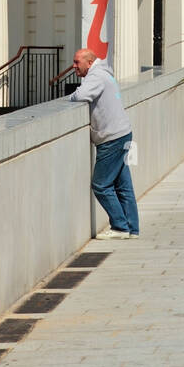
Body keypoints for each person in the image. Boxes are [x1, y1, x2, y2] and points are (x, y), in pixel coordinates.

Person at [70, 48, 139, 239]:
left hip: (112, 137)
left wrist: (72, 94)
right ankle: (132, 229)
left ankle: (119, 227)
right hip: (122, 132)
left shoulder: (96, 77)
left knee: (100, 185)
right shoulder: (103, 74)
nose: (74, 66)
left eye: (77, 62)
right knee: (123, 185)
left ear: (89, 62)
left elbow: (80, 96)